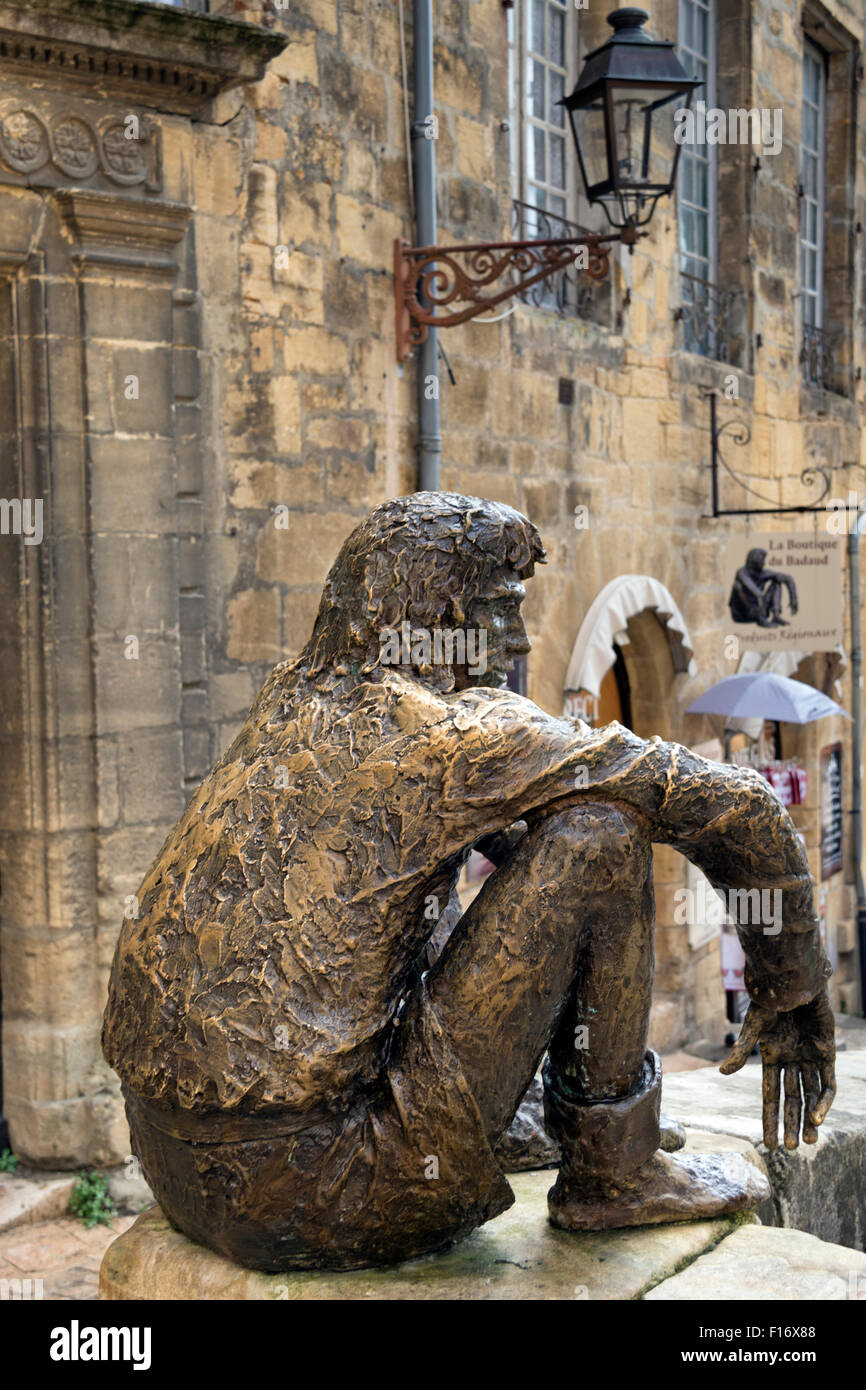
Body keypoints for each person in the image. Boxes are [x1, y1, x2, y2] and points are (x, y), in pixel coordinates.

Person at [103, 494, 835, 1272]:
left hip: (179, 1168)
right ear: (440, 614)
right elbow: (739, 807)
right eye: (501, 610)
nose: (518, 638)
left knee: (495, 857)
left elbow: (451, 864)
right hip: (325, 1192)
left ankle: (535, 1124)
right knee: (601, 834)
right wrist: (794, 988)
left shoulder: (291, 702)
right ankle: (613, 1171)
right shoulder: (449, 735)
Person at [729, 547, 799, 627]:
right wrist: (760, 601)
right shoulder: (742, 572)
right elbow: (753, 589)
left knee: (776, 582)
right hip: (743, 613)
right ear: (754, 560)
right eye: (762, 560)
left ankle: (776, 615)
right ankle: (760, 619)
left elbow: (788, 578)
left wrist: (793, 599)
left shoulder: (764, 573)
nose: (764, 563)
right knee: (737, 586)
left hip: (759, 608)